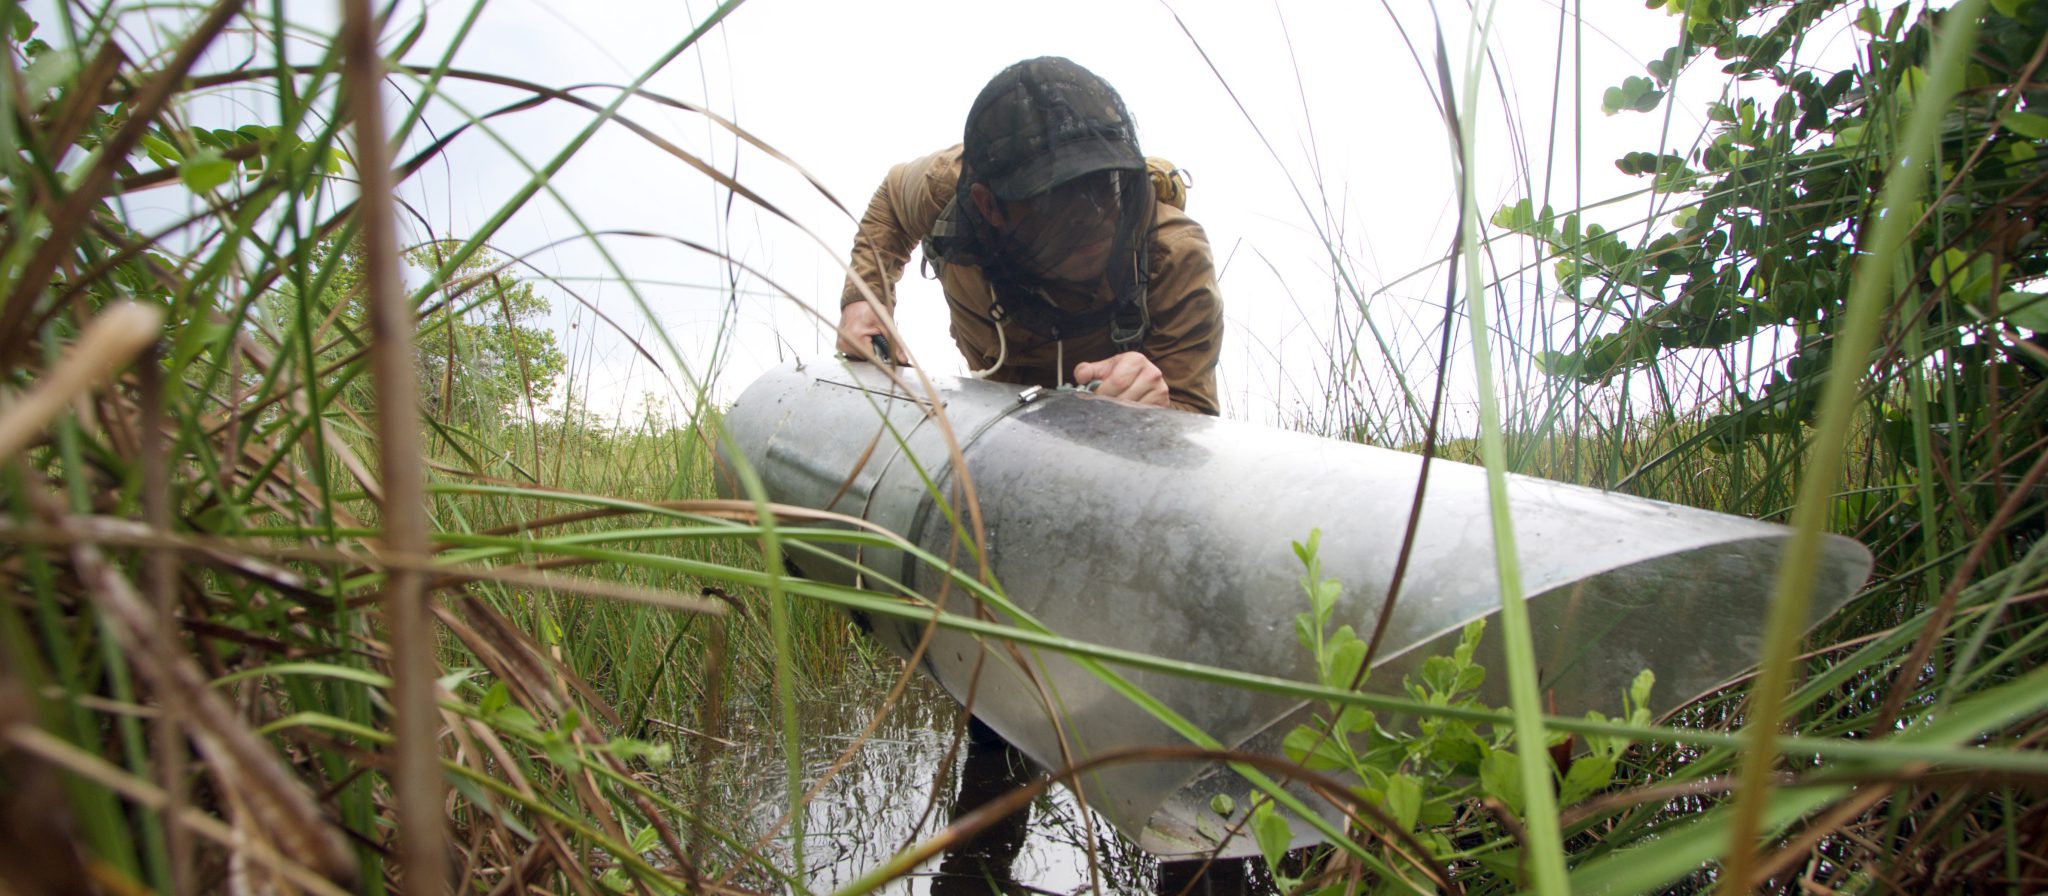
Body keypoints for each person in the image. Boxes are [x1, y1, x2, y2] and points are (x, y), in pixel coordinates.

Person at [834, 56, 1224, 416]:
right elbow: (891, 201)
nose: (1094, 215)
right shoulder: (945, 189)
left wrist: (1158, 408)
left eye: (1104, 185)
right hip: (993, 416)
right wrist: (865, 301)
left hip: (1106, 446)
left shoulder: (1171, 255)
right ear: (988, 205)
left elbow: (1194, 419)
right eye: (1056, 197)